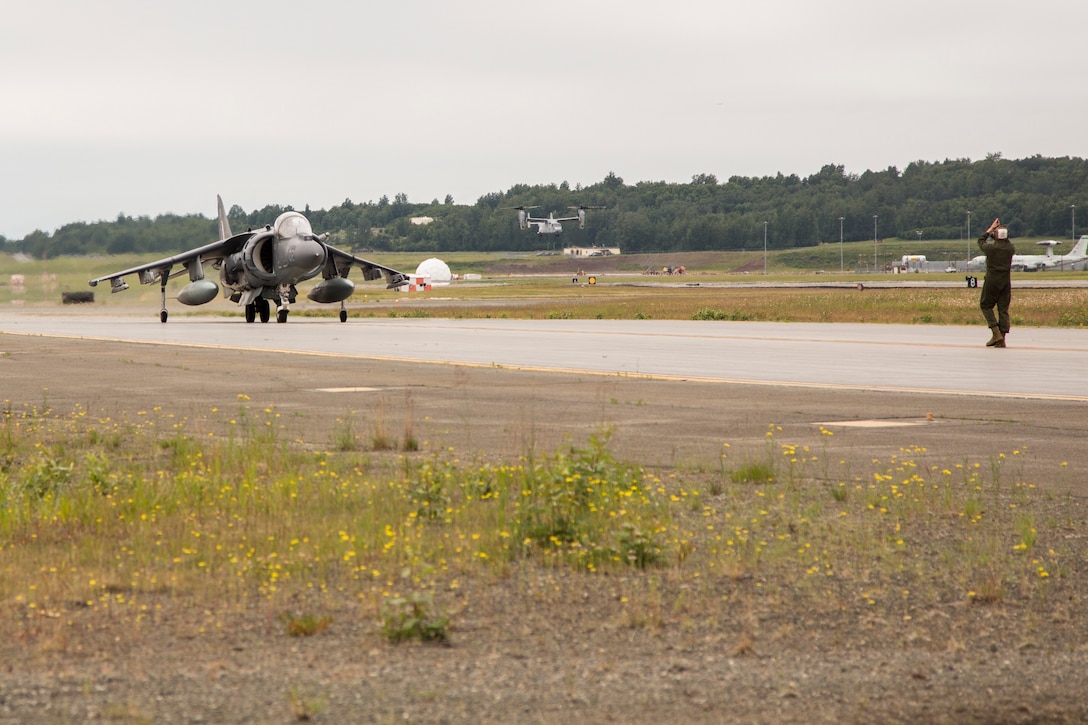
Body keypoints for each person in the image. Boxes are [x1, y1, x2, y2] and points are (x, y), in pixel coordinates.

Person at [977, 217, 1016, 347]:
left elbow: (980, 240)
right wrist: (1001, 233)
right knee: (1003, 310)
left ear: (995, 236)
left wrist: (991, 229)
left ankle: (996, 333)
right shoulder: (1010, 249)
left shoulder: (991, 249)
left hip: (992, 281)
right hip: (1005, 282)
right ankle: (1002, 340)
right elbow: (1007, 243)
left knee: (985, 305)